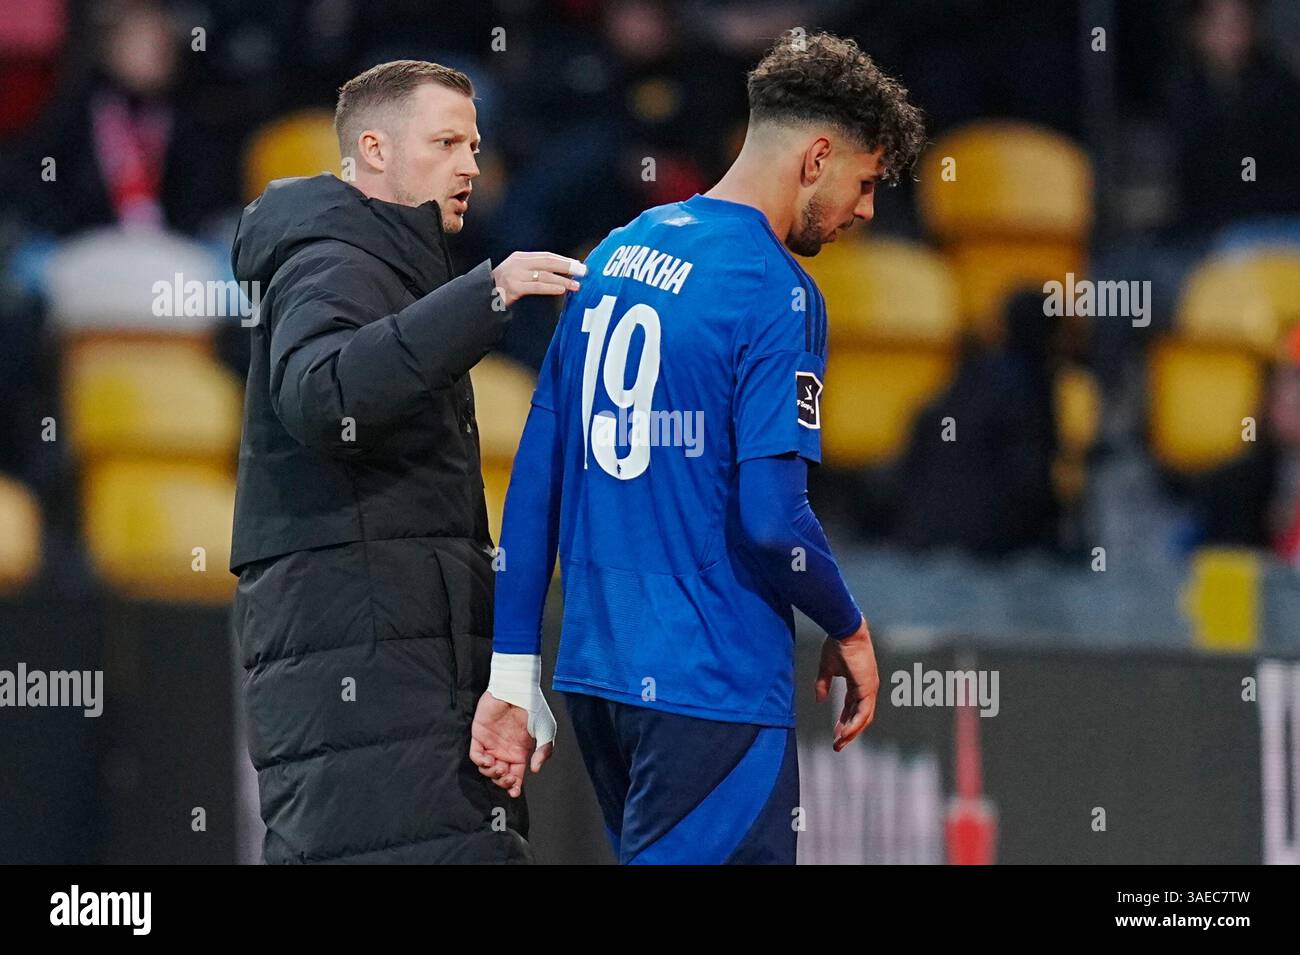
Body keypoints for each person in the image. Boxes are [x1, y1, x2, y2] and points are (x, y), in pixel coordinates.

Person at [471, 31, 924, 864]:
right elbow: (772, 519)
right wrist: (850, 624)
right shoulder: (775, 290)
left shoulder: (615, 252)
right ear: (817, 155)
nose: (866, 210)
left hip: (600, 680)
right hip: (710, 684)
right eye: (866, 182)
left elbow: (537, 479)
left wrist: (511, 668)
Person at [228, 59, 583, 863]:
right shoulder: (331, 256)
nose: (471, 164)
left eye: (477, 144)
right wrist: (485, 298)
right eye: (448, 141)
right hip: (363, 694)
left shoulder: (387, 264)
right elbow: (325, 396)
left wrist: (492, 683)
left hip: (396, 690)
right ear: (376, 149)